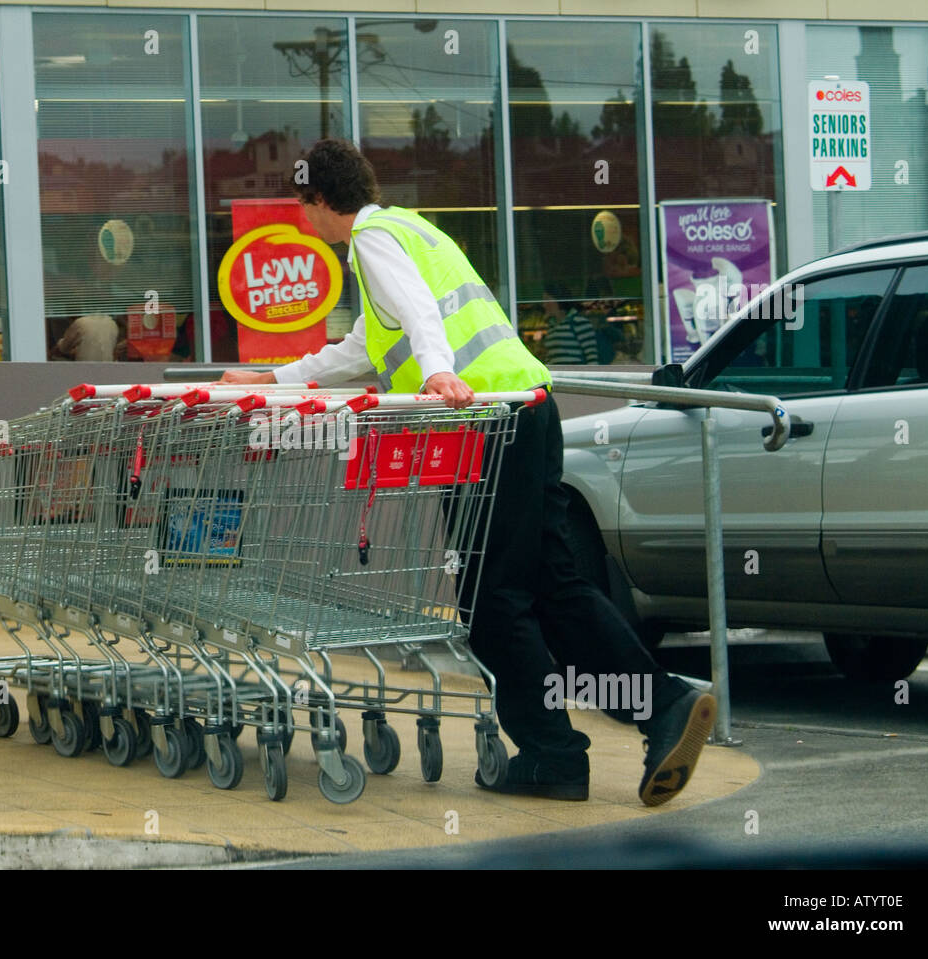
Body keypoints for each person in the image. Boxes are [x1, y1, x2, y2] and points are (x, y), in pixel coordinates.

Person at [222, 138, 715, 806]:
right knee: (554, 585)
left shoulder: (370, 239)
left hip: (485, 421)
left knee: (491, 603)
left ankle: (553, 753)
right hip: (530, 405)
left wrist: (436, 372)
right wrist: (276, 378)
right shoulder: (411, 229)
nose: (303, 218)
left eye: (301, 204)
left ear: (314, 201)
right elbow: (365, 347)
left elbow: (422, 312)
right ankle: (661, 706)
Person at [541, 284, 599, 365]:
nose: (544, 305)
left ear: (558, 299)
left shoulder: (578, 323)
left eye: (547, 299)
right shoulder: (551, 327)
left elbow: (591, 356)